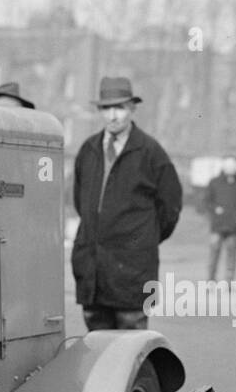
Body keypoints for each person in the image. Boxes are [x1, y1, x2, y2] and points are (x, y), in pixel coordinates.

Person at [70, 77, 182, 330]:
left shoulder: (151, 153)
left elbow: (170, 208)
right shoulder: (88, 150)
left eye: (119, 108)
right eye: (106, 108)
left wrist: (141, 238)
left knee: (131, 351)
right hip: (93, 273)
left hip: (132, 274)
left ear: (132, 109)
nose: (113, 116)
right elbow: (82, 203)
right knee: (98, 349)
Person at [203, 157, 236, 281]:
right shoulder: (214, 183)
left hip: (234, 227)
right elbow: (207, 201)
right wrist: (215, 209)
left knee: (231, 256)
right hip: (218, 226)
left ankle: (229, 282)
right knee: (214, 255)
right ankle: (211, 280)